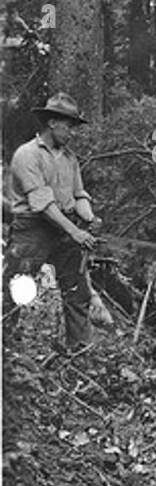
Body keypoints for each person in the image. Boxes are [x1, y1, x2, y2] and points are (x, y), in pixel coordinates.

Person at [4, 92, 100, 350]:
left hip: (64, 229)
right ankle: (6, 352)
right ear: (52, 123)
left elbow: (79, 195)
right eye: (68, 126)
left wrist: (89, 218)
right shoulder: (27, 155)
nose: (72, 133)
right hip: (32, 230)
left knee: (77, 292)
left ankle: (80, 350)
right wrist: (75, 232)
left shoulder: (70, 159)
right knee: (17, 290)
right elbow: (42, 203)